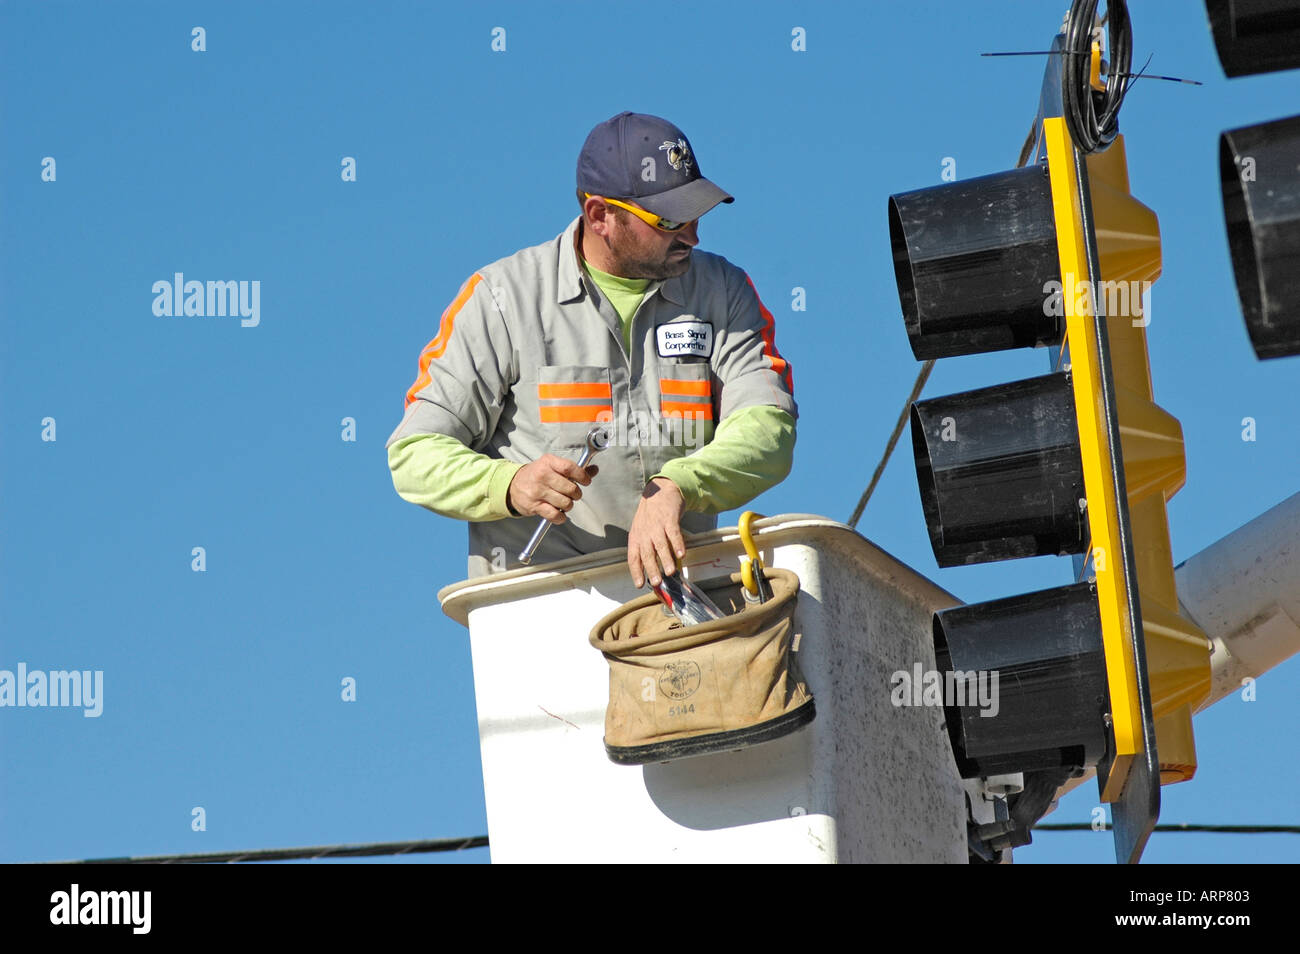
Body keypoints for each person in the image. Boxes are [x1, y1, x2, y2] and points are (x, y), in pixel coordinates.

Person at [386, 111, 796, 584]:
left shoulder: (724, 291)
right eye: (669, 219)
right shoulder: (501, 299)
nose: (692, 234)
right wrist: (510, 485)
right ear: (601, 215)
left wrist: (679, 484)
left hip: (683, 611)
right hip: (542, 617)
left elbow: (769, 429)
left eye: (697, 212)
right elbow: (414, 453)